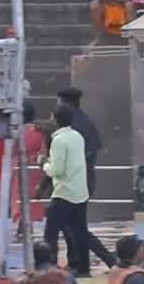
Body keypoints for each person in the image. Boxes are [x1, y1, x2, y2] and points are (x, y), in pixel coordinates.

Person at [43, 103, 117, 274]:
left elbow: (56, 170)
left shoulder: (58, 140)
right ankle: (106, 261)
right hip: (79, 191)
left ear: (55, 119)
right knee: (81, 233)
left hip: (63, 193)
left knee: (50, 234)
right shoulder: (77, 136)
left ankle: (49, 269)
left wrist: (44, 164)